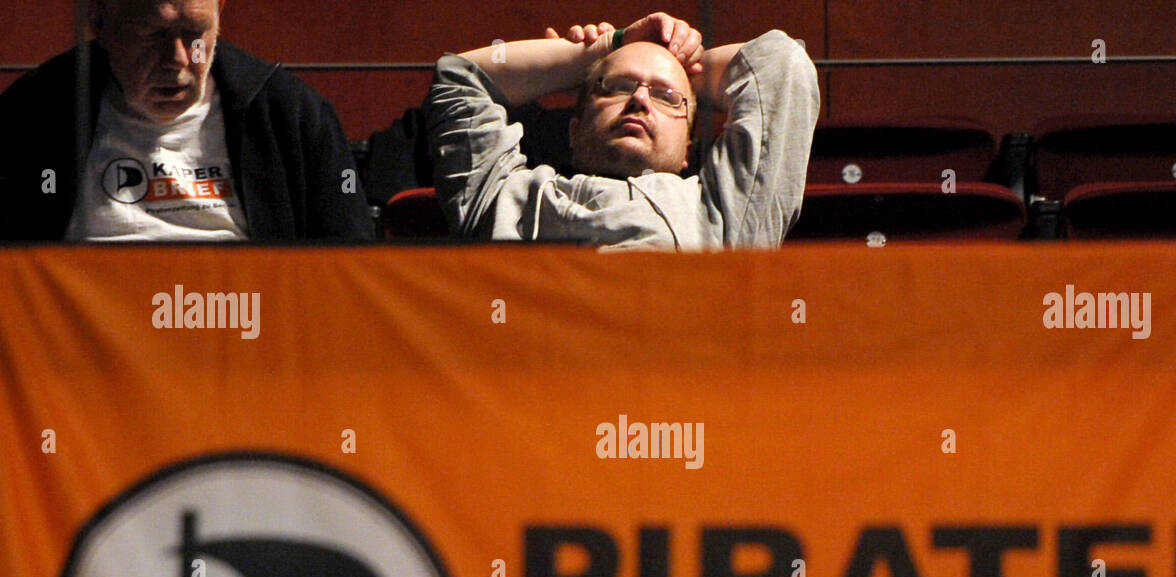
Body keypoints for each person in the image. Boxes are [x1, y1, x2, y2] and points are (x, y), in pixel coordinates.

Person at [424, 12, 819, 249]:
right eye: (617, 88)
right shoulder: (505, 197)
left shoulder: (724, 214)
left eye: (666, 99)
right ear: (574, 130)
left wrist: (673, 65)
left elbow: (782, 64)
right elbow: (460, 76)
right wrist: (600, 51)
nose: (640, 101)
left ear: (687, 148)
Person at [0, 0, 372, 241]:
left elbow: (347, 267)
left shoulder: (288, 113)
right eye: (153, 35)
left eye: (195, 34)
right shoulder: (35, 110)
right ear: (100, 21)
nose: (177, 58)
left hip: (241, 333)